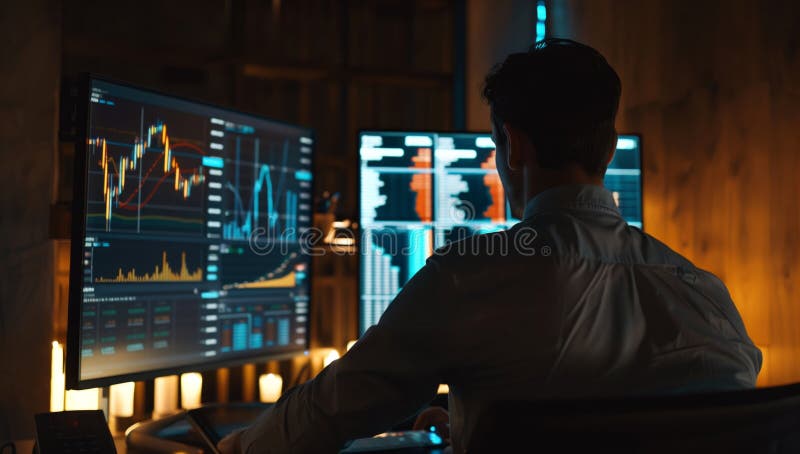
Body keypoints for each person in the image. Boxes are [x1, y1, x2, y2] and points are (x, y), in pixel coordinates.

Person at [219, 38, 762, 453]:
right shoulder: (706, 297)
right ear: (610, 146)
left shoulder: (469, 276)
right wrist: (471, 425)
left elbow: (336, 408)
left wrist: (233, 448)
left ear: (516, 148)